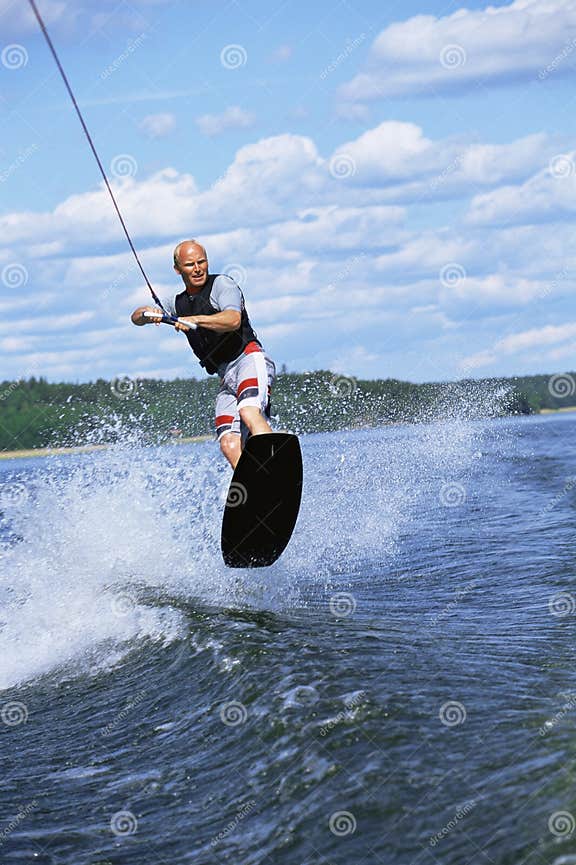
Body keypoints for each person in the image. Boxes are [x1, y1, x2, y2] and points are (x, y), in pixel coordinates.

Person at [131, 239, 275, 469]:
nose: (197, 268)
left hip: (249, 359)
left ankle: (276, 470)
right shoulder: (177, 303)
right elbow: (136, 317)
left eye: (202, 262)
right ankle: (255, 488)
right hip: (226, 375)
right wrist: (150, 313)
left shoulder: (222, 285)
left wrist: (195, 320)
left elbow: (232, 319)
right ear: (178, 269)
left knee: (249, 410)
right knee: (228, 442)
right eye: (190, 264)